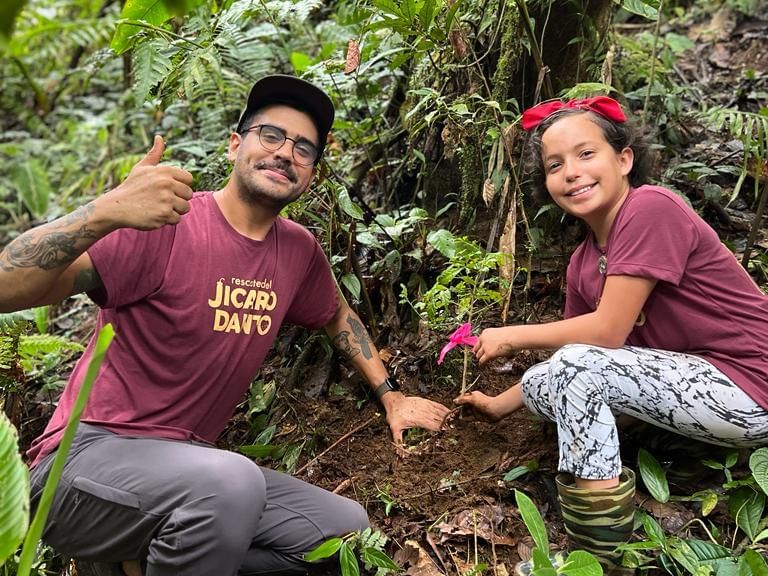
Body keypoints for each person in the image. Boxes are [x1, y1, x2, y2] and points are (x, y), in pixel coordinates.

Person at [0, 74, 451, 576]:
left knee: (344, 532)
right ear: (236, 144)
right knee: (232, 482)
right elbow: (5, 286)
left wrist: (391, 395)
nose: (285, 153)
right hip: (82, 464)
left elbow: (336, 315)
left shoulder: (298, 251)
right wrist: (105, 212)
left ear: (314, 174)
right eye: (271, 135)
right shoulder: (162, 225)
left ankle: (136, 565)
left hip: (186, 472)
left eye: (304, 148)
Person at [454, 96, 768, 570]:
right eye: (555, 164)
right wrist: (498, 406)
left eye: (586, 154)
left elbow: (606, 332)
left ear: (624, 160)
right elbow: (572, 352)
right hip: (695, 387)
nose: (571, 172)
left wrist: (512, 335)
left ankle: (599, 555)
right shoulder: (583, 262)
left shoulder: (650, 208)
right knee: (549, 380)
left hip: (751, 383)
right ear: (547, 184)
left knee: (576, 370)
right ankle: (604, 514)